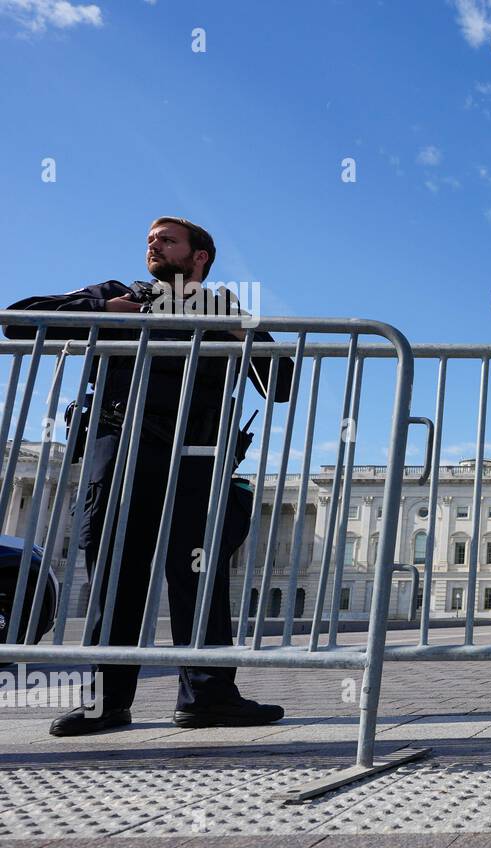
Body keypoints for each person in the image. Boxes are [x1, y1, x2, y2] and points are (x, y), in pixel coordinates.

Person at [4, 217, 297, 735]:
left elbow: (280, 385)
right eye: (150, 240)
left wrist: (239, 331)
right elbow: (18, 319)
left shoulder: (223, 308)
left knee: (198, 575)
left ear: (199, 256)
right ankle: (106, 702)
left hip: (199, 453)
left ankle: (208, 696)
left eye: (167, 239)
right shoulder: (116, 294)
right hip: (121, 446)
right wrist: (107, 311)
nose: (154, 246)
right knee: (115, 574)